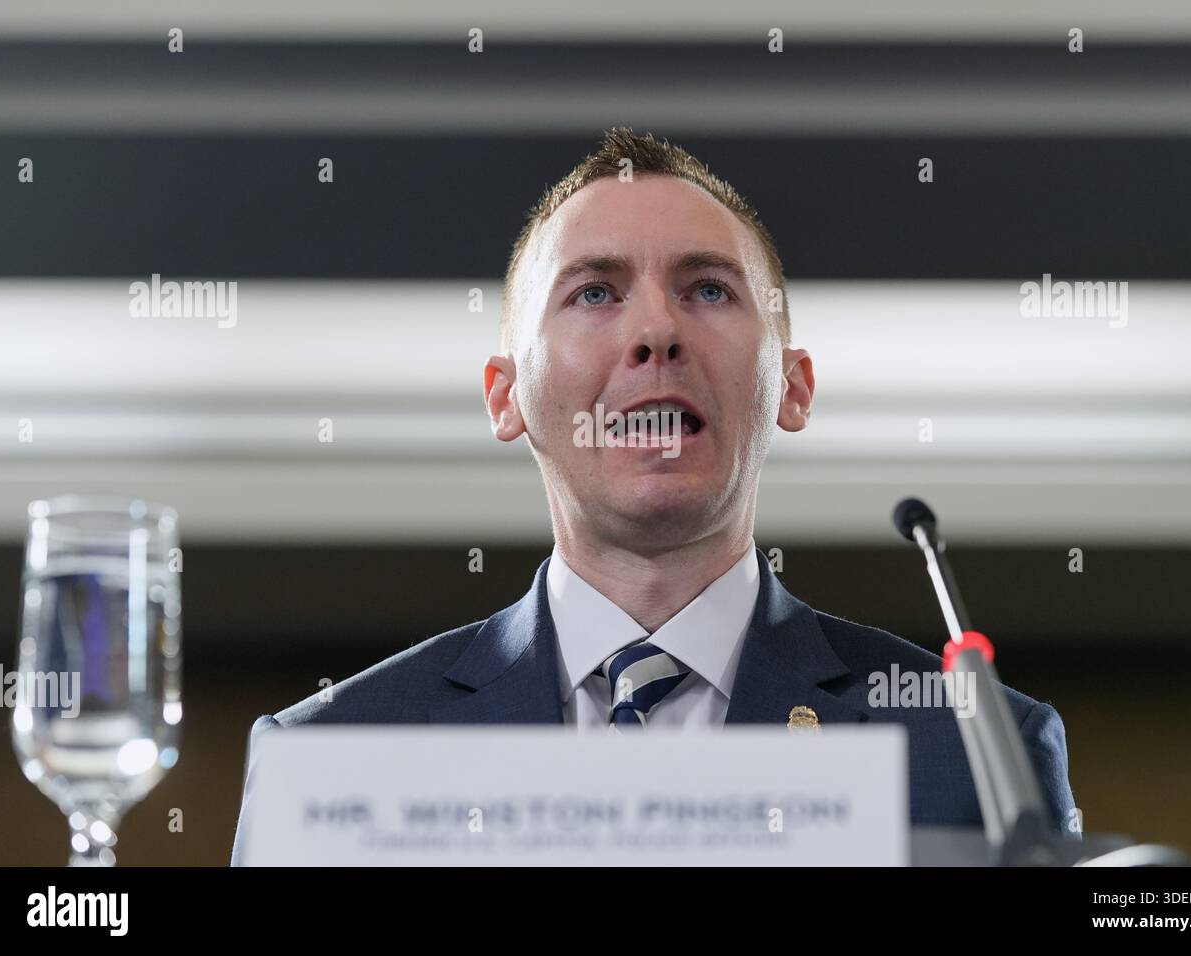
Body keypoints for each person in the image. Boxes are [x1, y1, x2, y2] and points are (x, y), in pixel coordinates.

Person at [230, 128, 1076, 863]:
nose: (656, 332)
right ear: (506, 396)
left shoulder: (973, 752)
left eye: (708, 289)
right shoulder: (330, 755)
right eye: (594, 292)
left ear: (793, 386)